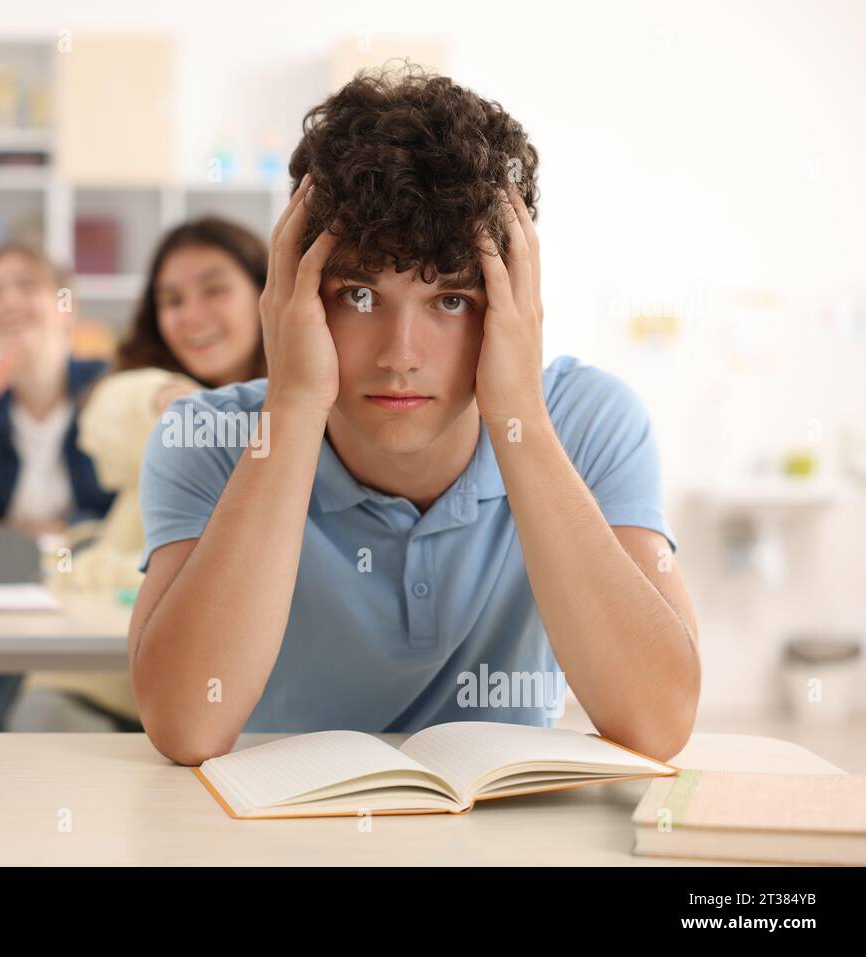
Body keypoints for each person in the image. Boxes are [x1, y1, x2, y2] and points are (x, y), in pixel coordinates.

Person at [130, 65, 701, 765]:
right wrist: (294, 405)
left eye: (452, 301)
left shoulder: (589, 421)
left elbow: (659, 719)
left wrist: (519, 412)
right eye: (360, 297)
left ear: (512, 305)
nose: (400, 356)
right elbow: (187, 725)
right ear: (296, 298)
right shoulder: (211, 439)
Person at [22, 218, 269, 730]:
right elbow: (110, 415)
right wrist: (171, 403)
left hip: (235, 711)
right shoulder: (148, 392)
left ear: (268, 293)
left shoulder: (301, 408)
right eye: (172, 300)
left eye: (215, 290)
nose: (191, 315)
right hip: (96, 688)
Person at [0, 243, 113, 536]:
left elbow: (125, 510)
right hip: (2, 574)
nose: (9, 301)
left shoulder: (106, 387)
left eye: (27, 285)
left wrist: (63, 529)